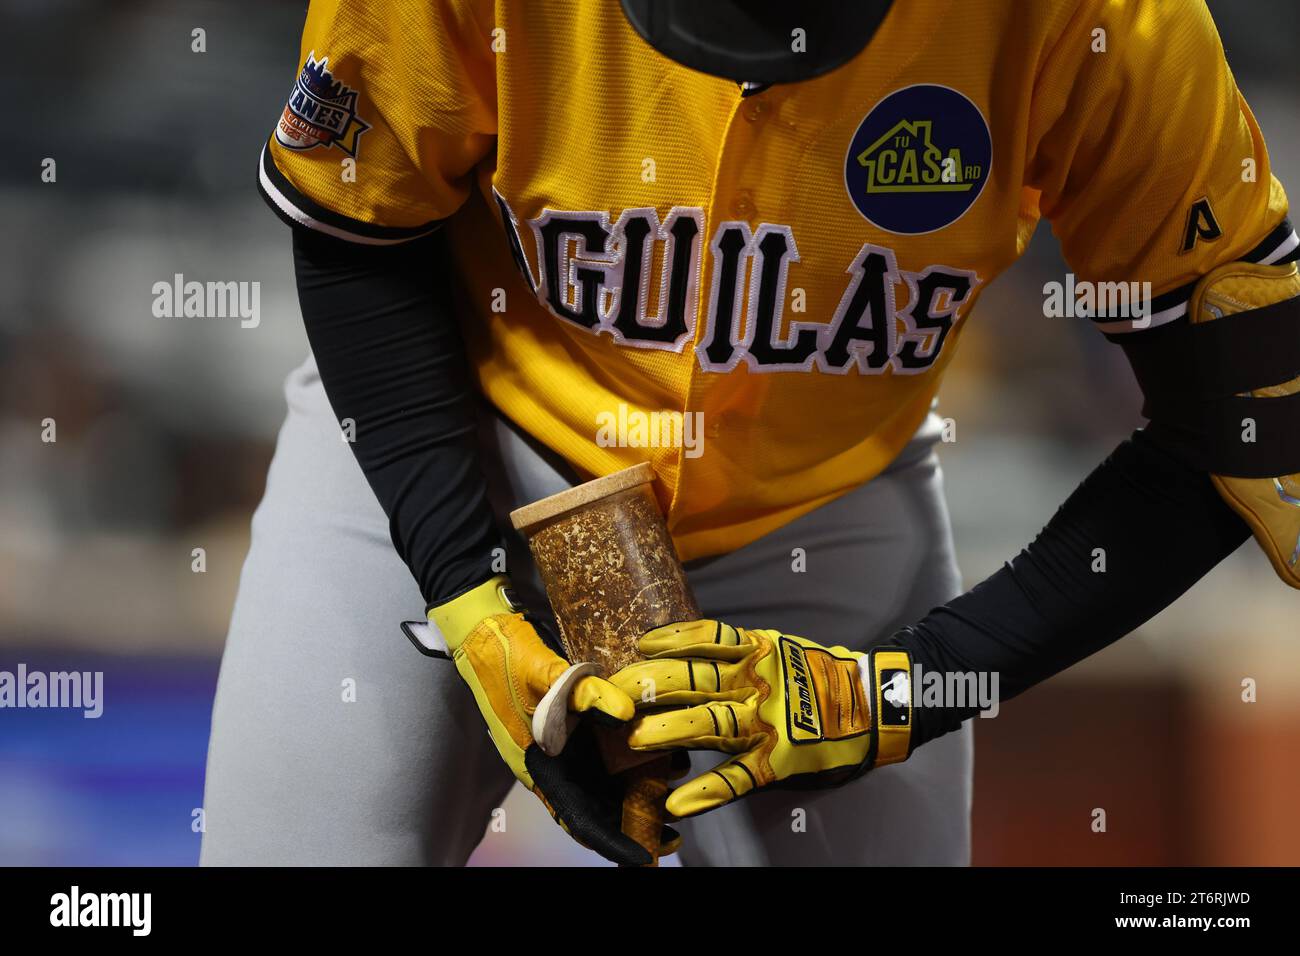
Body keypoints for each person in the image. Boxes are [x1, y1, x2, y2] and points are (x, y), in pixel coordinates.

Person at [200, 0, 1299, 866]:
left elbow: (1248, 424)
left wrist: (907, 685)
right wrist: (463, 582)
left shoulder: (1105, 19)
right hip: (455, 432)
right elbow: (357, 231)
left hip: (819, 506)